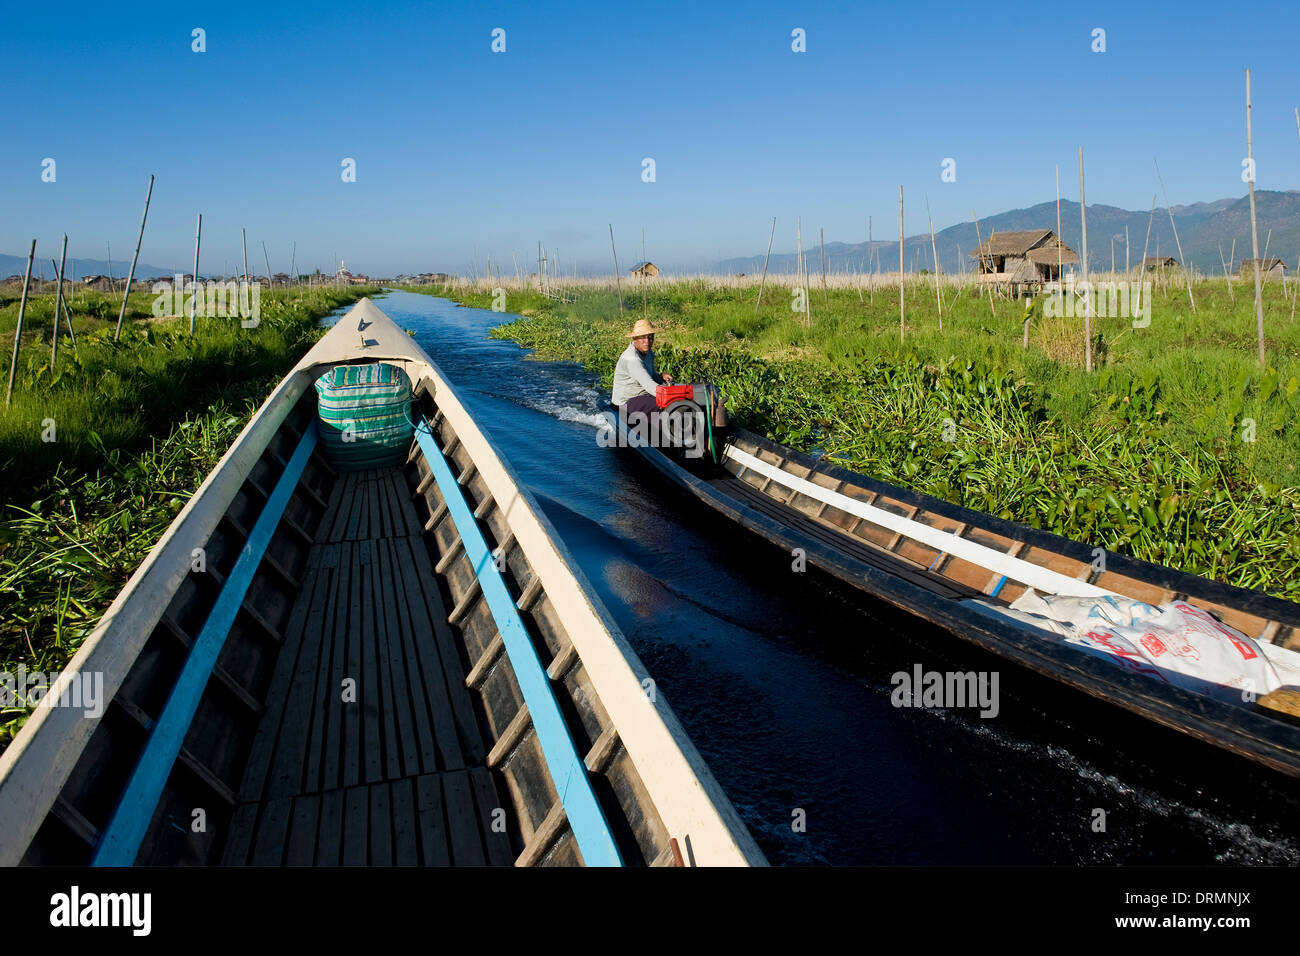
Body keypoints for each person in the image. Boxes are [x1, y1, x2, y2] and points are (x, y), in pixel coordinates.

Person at [611, 318, 672, 420]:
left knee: (666, 403)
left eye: (650, 337)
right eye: (642, 338)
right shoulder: (632, 359)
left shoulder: (648, 353)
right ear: (635, 339)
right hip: (624, 405)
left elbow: (650, 376)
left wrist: (661, 377)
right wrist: (674, 396)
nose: (647, 341)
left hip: (640, 397)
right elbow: (651, 386)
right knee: (666, 404)